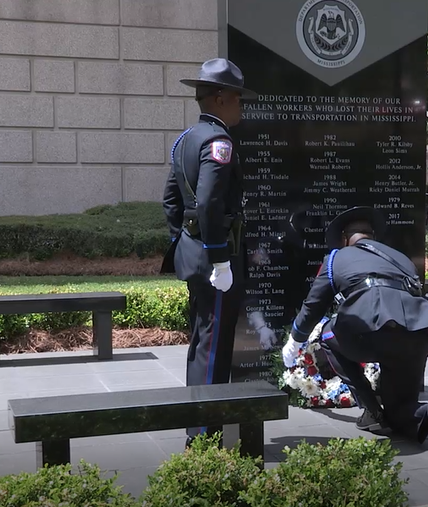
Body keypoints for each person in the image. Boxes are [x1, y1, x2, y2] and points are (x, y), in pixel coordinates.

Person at [281, 207, 428, 456]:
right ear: (372, 236)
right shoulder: (401, 258)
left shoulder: (336, 258)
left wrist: (295, 340)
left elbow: (313, 306)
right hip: (418, 336)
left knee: (327, 335)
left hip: (372, 334)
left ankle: (371, 411)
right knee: (400, 412)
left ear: (344, 238)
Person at [161, 58, 256, 447]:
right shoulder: (219, 142)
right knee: (215, 346)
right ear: (220, 98)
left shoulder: (185, 140)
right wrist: (218, 257)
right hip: (217, 260)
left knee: (201, 340)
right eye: (237, 99)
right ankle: (204, 438)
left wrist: (186, 241)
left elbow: (171, 202)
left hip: (193, 255)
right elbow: (210, 204)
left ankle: (195, 426)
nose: (241, 107)